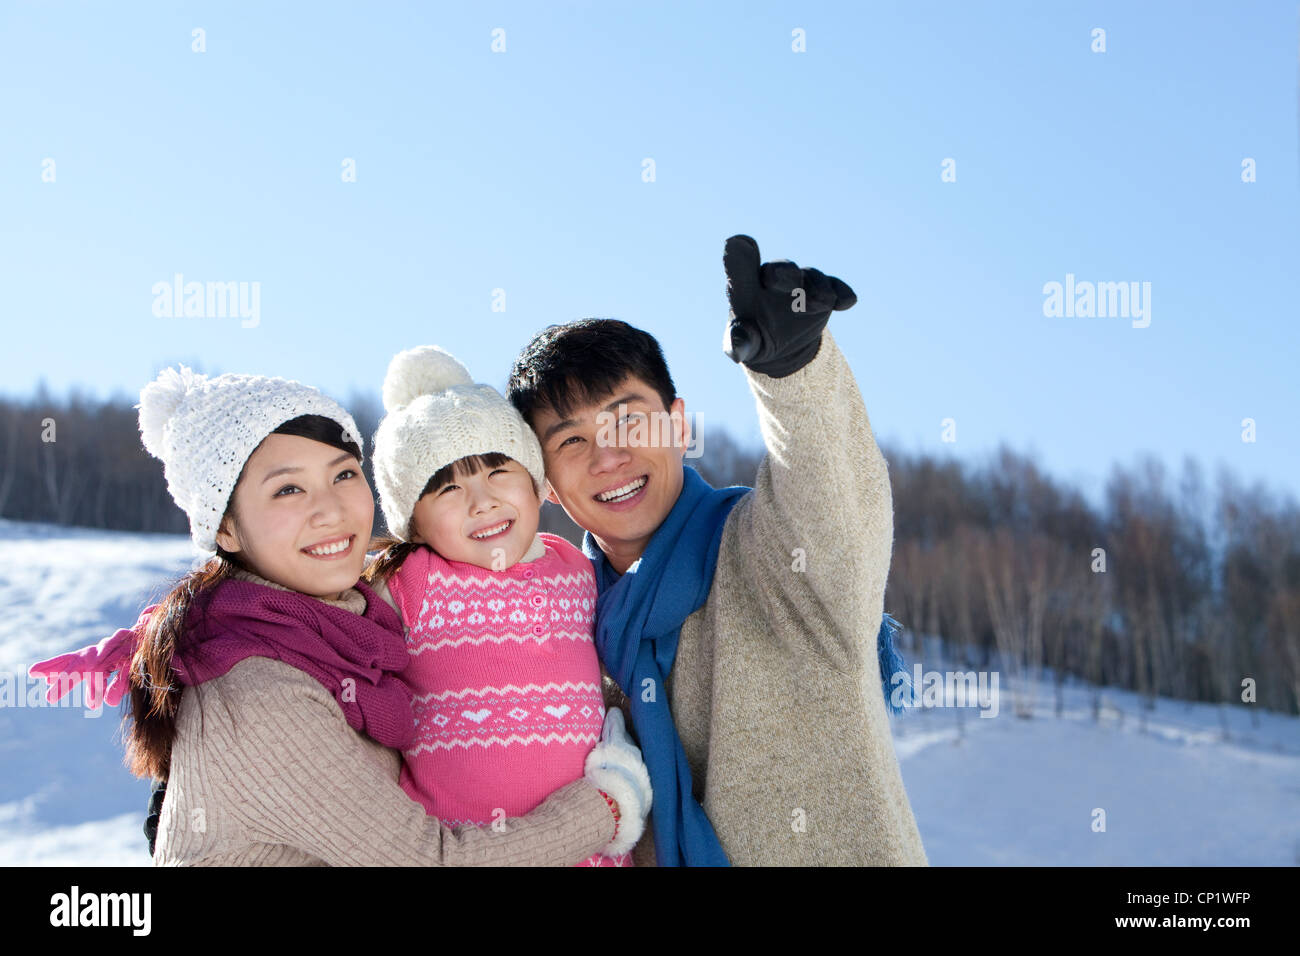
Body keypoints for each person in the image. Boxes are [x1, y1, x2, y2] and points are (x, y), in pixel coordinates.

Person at [29, 366, 647, 865]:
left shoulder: (342, 633)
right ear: (224, 528)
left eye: (344, 474)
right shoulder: (261, 689)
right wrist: (607, 808)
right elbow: (426, 860)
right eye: (288, 489)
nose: (331, 510)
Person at [504, 234, 929, 866]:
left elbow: (833, 499)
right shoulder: (566, 630)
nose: (609, 457)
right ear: (549, 488)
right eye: (572, 442)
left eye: (628, 420)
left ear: (678, 425)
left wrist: (794, 373)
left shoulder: (770, 556)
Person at [363, 346, 651, 866]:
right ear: (414, 524)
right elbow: (325, 630)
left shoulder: (574, 569)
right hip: (465, 846)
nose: (483, 501)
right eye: (448, 488)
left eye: (499, 472)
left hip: (589, 850)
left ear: (537, 483)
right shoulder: (413, 581)